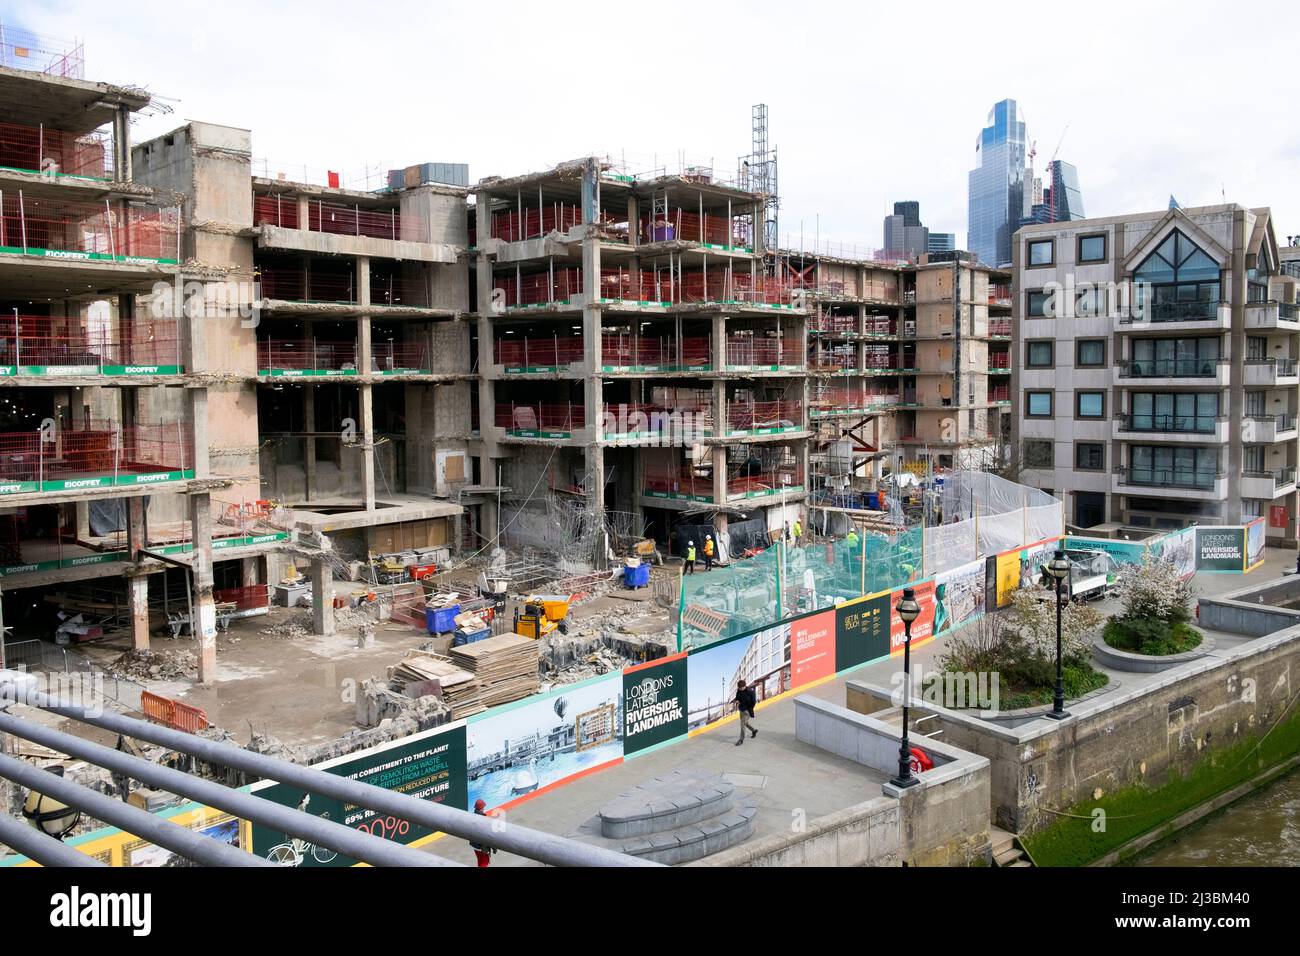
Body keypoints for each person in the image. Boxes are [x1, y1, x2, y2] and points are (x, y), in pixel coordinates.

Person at [469, 798, 496, 867]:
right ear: (482, 808)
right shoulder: (483, 819)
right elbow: (487, 835)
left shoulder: (471, 816)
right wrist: (494, 847)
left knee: (480, 861)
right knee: (484, 862)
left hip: (474, 845)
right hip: (481, 847)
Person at [733, 679, 758, 746]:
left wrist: (749, 709)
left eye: (741, 688)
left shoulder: (750, 692)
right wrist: (737, 700)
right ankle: (754, 730)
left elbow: (753, 702)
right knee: (745, 723)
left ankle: (741, 739)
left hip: (747, 710)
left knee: (742, 724)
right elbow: (738, 697)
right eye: (739, 688)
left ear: (745, 686)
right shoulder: (739, 690)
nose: (740, 689)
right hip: (741, 709)